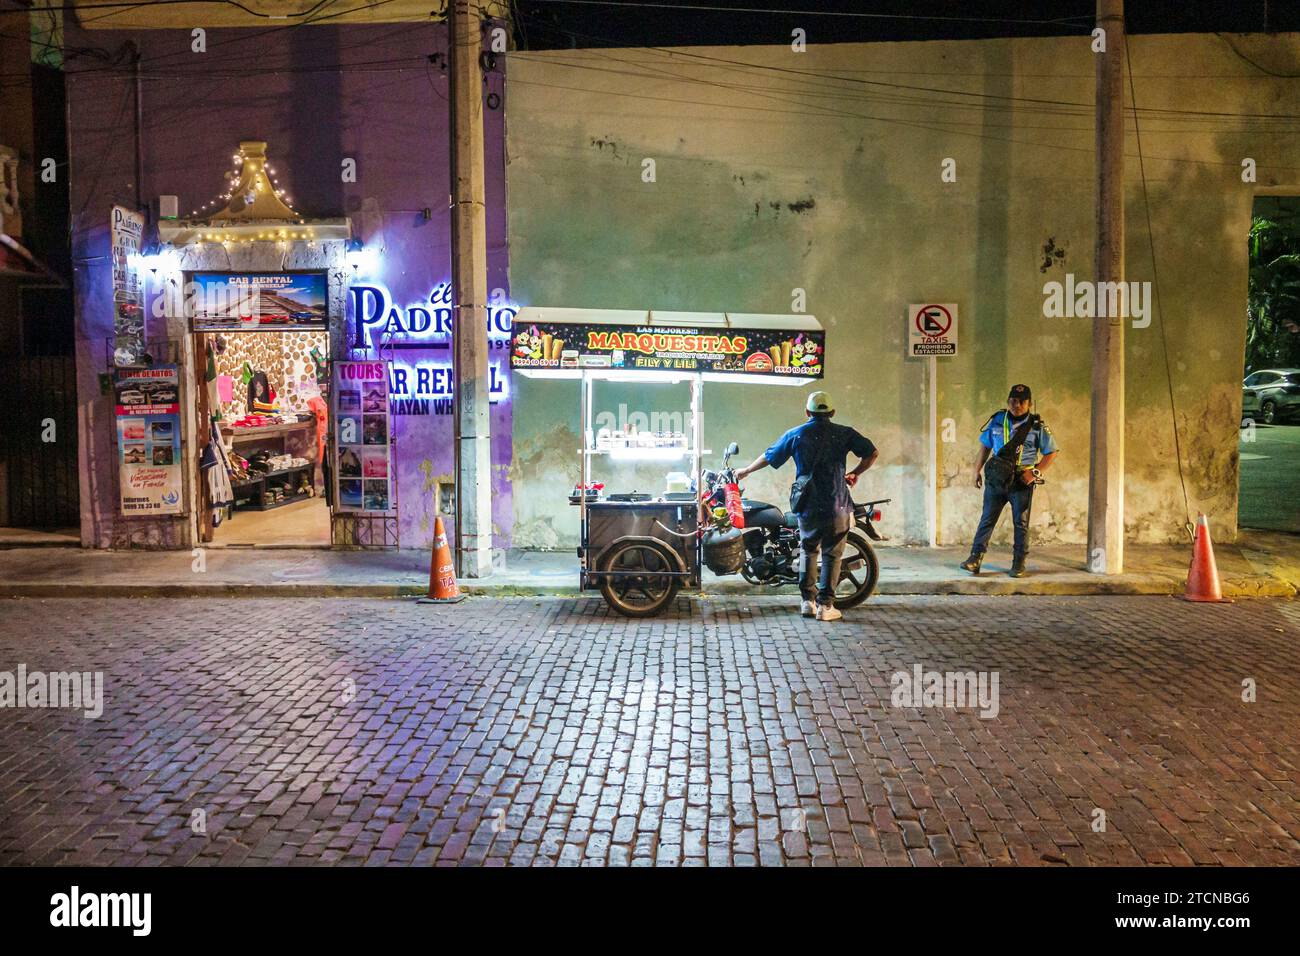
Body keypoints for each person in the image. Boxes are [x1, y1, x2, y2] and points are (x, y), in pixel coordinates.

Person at [734, 390, 878, 621]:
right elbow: (872, 453)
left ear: (807, 412)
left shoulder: (796, 434)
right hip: (836, 502)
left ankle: (807, 603)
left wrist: (746, 471)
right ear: (832, 412)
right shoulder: (844, 433)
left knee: (808, 550)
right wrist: (855, 473)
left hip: (807, 502)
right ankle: (826, 606)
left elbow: (770, 456)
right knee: (832, 554)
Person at [960, 384, 1058, 578]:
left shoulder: (1037, 426)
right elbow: (985, 447)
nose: (1017, 405)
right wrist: (976, 471)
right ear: (1008, 401)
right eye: (1013, 400)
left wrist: (1035, 473)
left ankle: (1018, 563)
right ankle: (975, 559)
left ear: (1029, 403)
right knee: (987, 519)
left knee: (1020, 523)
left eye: (1022, 401)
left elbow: (1051, 453)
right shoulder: (998, 420)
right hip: (997, 479)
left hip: (1021, 481)